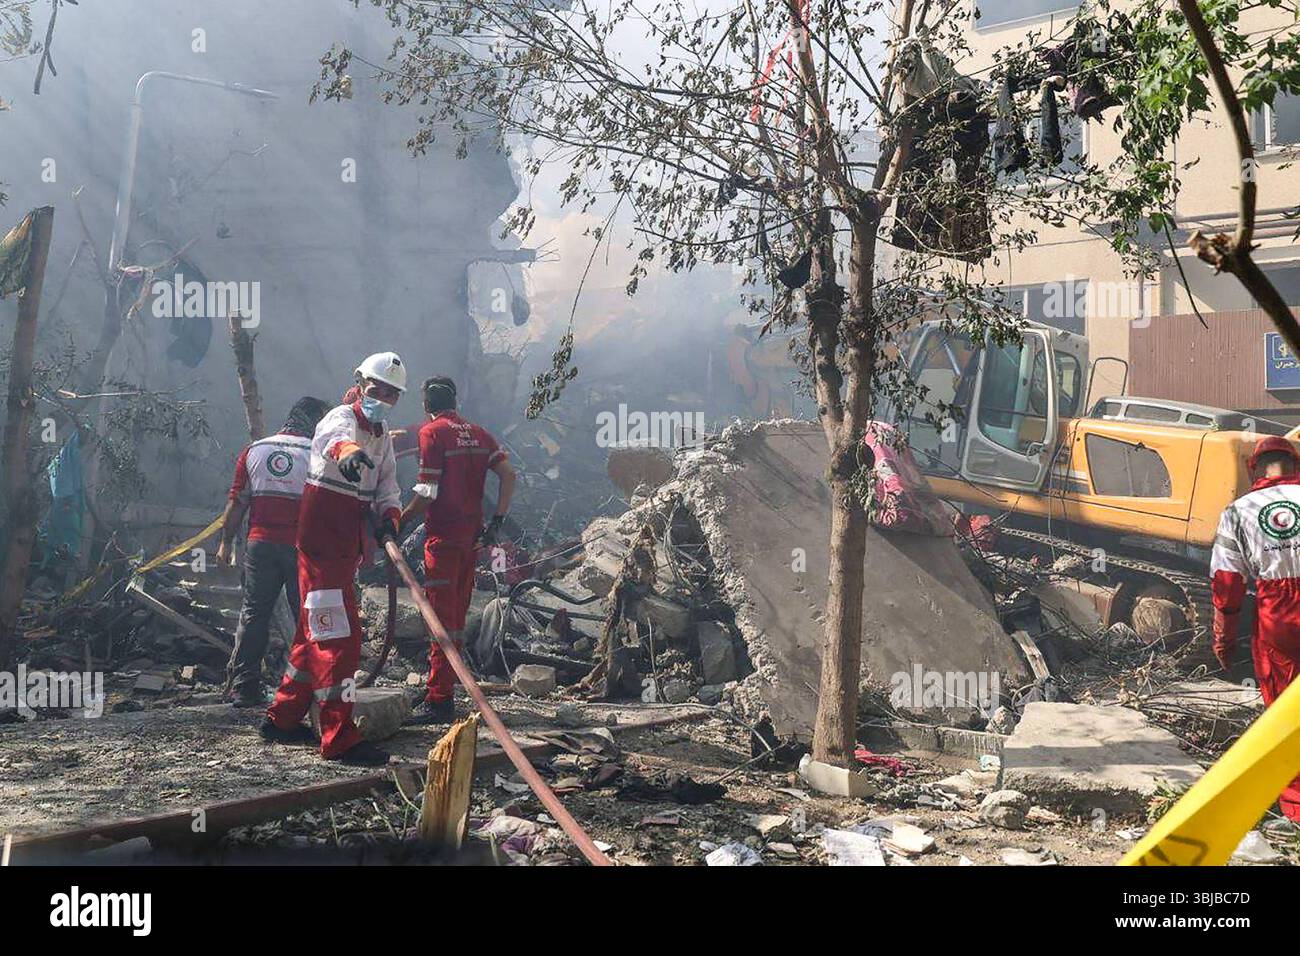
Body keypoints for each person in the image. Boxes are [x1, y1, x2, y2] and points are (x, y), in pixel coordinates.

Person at [260, 352, 406, 765]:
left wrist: (390, 520)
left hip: (345, 551)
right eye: (378, 390)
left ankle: (283, 718)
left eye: (392, 394)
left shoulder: (382, 438)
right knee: (339, 641)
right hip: (322, 546)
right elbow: (331, 442)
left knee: (312, 636)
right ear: (361, 384)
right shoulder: (340, 418)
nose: (384, 398)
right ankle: (338, 737)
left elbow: (388, 489)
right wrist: (347, 453)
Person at [399, 375, 515, 724]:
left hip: (443, 541)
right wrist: (497, 522)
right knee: (456, 620)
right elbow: (509, 475)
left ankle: (439, 699)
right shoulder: (479, 433)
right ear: (455, 401)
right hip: (471, 539)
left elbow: (428, 492)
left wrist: (400, 520)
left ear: (425, 405)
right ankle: (443, 684)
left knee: (440, 620)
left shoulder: (432, 434)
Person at [218, 397, 330, 707]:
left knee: (254, 614)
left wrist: (225, 542)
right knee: (306, 617)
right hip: (302, 549)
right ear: (315, 422)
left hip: (260, 545)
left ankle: (244, 687)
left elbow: (236, 502)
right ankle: (308, 688)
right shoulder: (317, 454)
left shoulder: (255, 450)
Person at [1211, 434, 1300, 821]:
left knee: (1285, 713)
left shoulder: (1237, 511)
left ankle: (1296, 809)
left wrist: (1223, 639)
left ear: (1255, 470)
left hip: (1277, 616)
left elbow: (1227, 582)